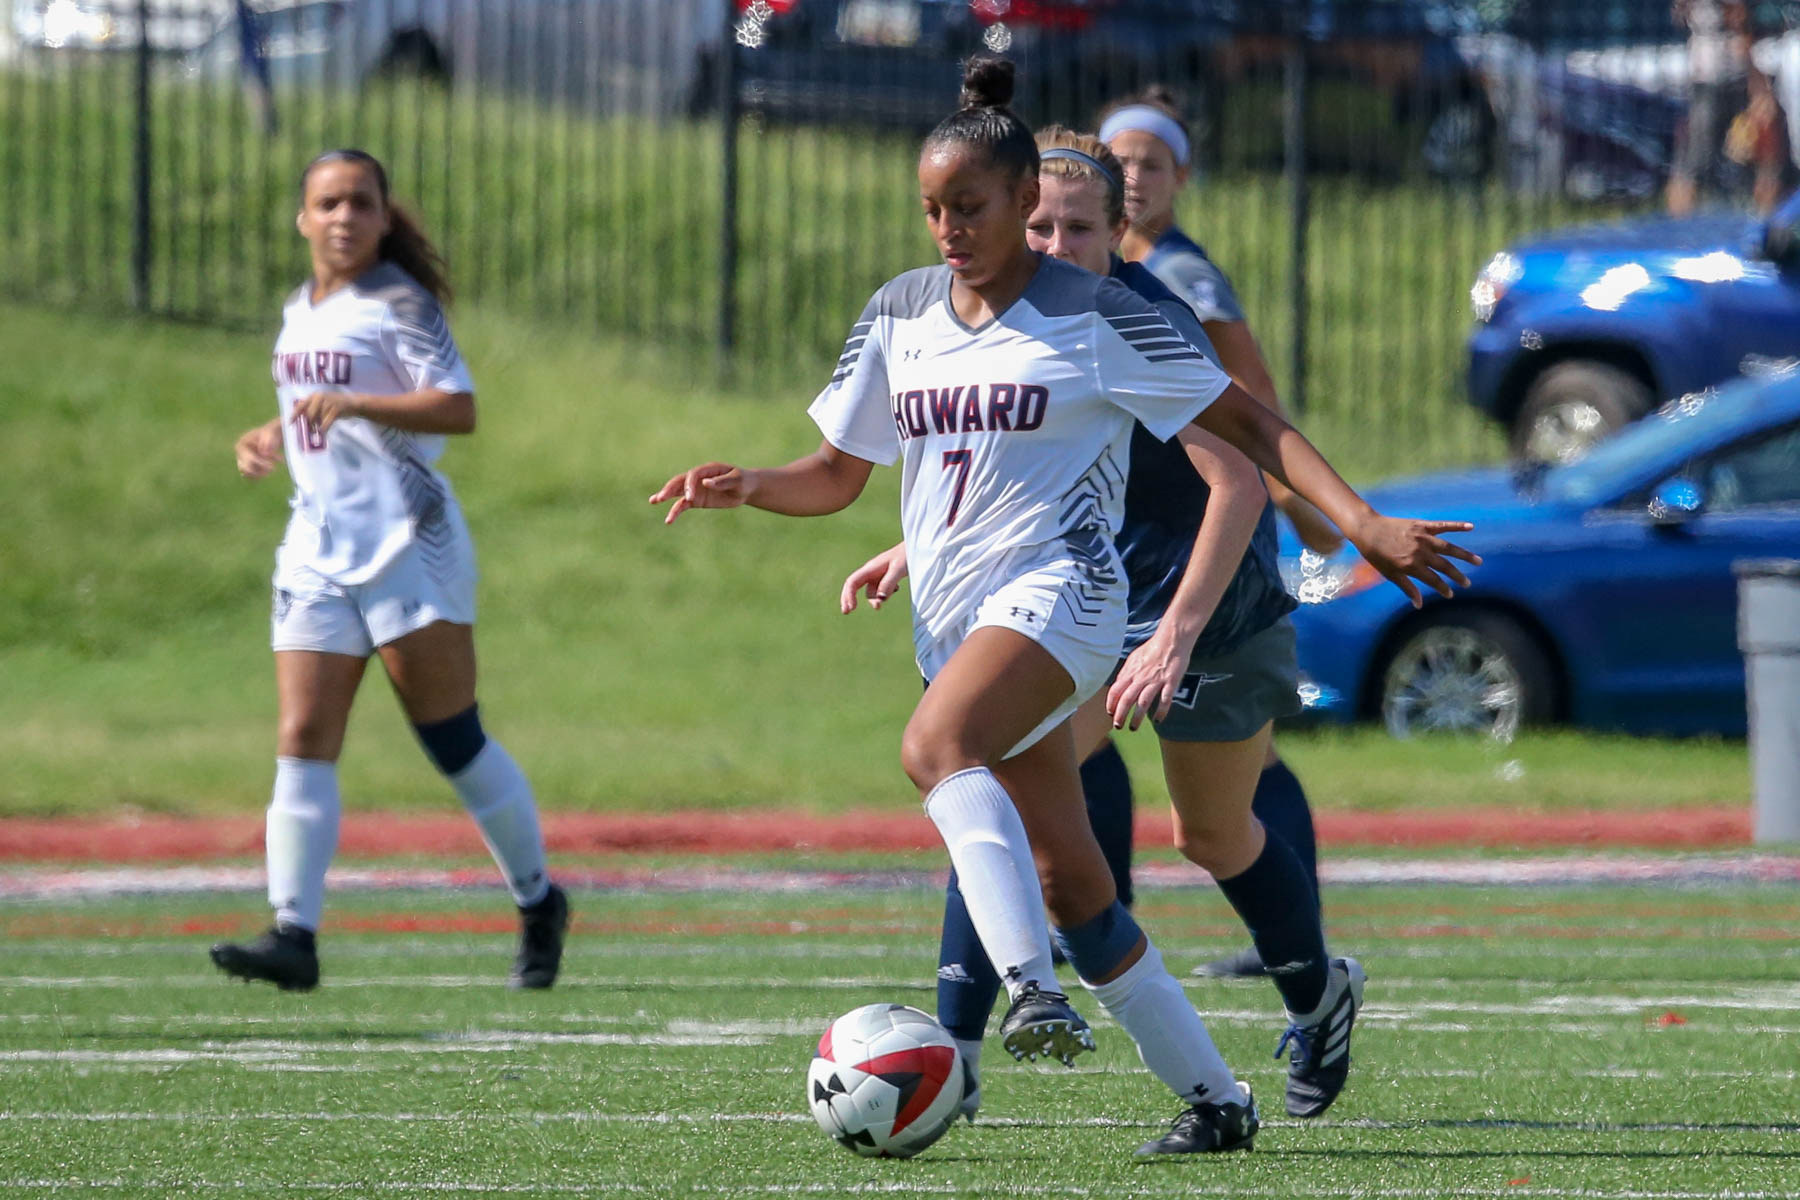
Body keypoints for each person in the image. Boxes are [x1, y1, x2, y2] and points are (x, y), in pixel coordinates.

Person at [653, 58, 1477, 1154]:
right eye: (933, 209)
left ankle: (1026, 993)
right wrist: (752, 483)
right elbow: (839, 474)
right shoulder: (899, 312)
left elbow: (1247, 429)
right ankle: (1217, 1101)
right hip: (963, 617)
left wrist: (1362, 523)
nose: (951, 228)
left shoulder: (1096, 313)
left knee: (938, 746)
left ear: (1022, 198)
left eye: (975, 207)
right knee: (1074, 880)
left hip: (1075, 598)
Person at [840, 127, 1360, 1123]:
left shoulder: (1131, 317)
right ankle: (959, 1047)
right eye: (1042, 222)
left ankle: (1319, 996)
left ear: (1123, 234)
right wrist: (921, 543)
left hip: (1208, 599)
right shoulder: (996, 311)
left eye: (1081, 226)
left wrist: (1175, 634)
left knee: (1209, 833)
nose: (1056, 240)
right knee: (999, 791)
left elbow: (1239, 478)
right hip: (1084, 600)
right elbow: (1002, 457)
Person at [212, 149, 569, 993]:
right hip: (316, 548)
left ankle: (538, 900)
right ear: (302, 218)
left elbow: (458, 406)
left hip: (410, 543)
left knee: (453, 742)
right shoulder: (300, 309)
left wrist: (360, 404)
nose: (343, 217)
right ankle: (293, 932)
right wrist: (272, 433)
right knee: (302, 737)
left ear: (381, 217)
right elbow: (317, 403)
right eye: (328, 203)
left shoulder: (401, 303)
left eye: (359, 203)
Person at [1100, 89, 1336, 980]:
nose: (1132, 178)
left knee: (1224, 783)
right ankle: (1100, 908)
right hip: (1142, 543)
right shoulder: (1097, 270)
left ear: (1181, 178)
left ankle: (1282, 939)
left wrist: (1304, 501)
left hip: (1196, 537)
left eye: (1150, 164)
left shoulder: (1179, 278)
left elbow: (1247, 398)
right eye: (1118, 160)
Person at [1668, 0, 1784, 216]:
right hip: (1711, 80)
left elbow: (1740, 25)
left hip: (1736, 78)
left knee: (1765, 156)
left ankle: (1764, 225)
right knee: (1692, 162)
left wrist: (1758, 85)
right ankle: (1678, 231)